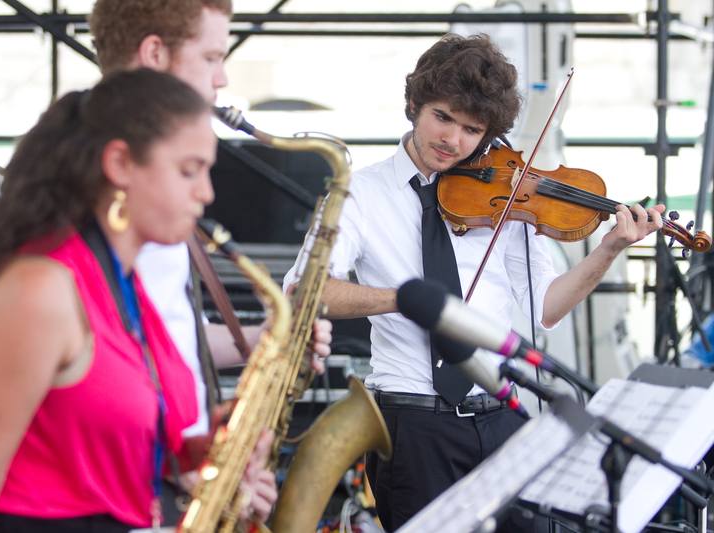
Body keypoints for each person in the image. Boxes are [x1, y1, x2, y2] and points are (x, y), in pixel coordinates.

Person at [283, 34, 665, 532]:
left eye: (471, 130)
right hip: (414, 426)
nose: (453, 141)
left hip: (500, 411)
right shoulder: (358, 194)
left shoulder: (501, 196)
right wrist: (406, 300)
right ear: (414, 104)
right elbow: (305, 292)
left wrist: (610, 247)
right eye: (443, 117)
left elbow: (547, 308)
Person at [0, 69, 275, 533]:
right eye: (189, 170)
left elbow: (112, 449)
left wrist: (211, 449)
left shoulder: (123, 288)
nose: (207, 193)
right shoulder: (41, 291)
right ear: (120, 164)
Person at [88, 0, 333, 440]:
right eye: (211, 58)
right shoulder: (96, 185)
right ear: (154, 54)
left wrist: (262, 337)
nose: (222, 78)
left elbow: (169, 334)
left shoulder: (157, 175)